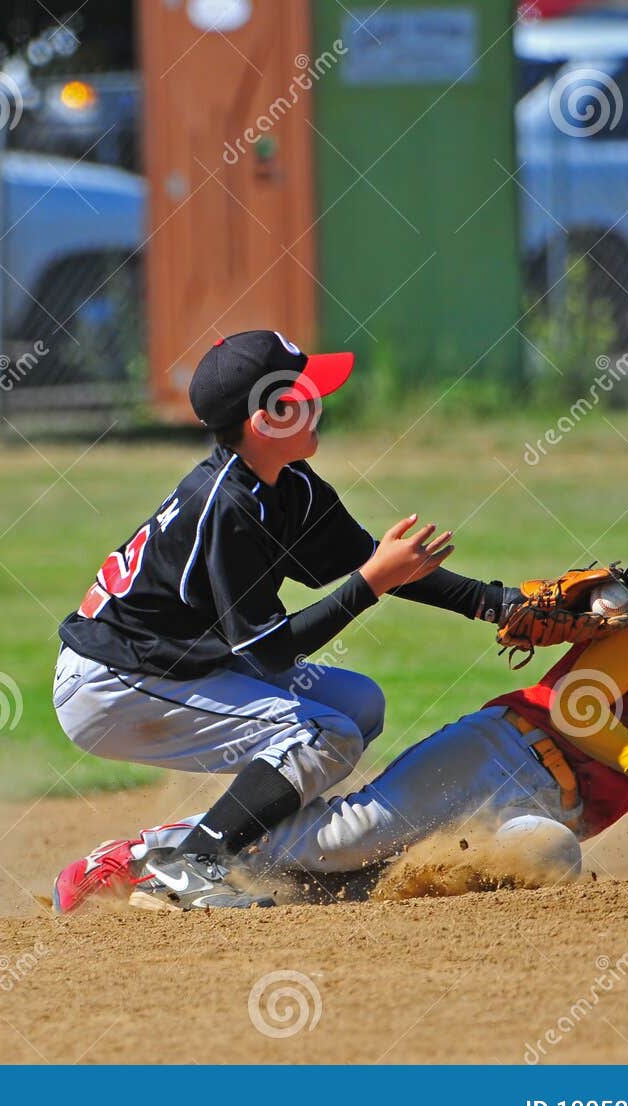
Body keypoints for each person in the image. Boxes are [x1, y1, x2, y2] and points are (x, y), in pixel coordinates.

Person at [64, 515, 628, 906]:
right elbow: (578, 708)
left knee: (546, 859)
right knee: (341, 836)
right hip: (499, 754)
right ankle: (153, 853)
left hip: (546, 807)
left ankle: (269, 892)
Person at [50, 329, 523, 911]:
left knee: (358, 706)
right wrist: (370, 584)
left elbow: (374, 560)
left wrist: (498, 603)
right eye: (300, 395)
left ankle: (174, 851)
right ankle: (194, 865)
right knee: (324, 734)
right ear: (262, 420)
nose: (320, 402)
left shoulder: (288, 484)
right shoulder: (228, 506)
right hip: (114, 684)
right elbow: (273, 650)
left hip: (170, 666)